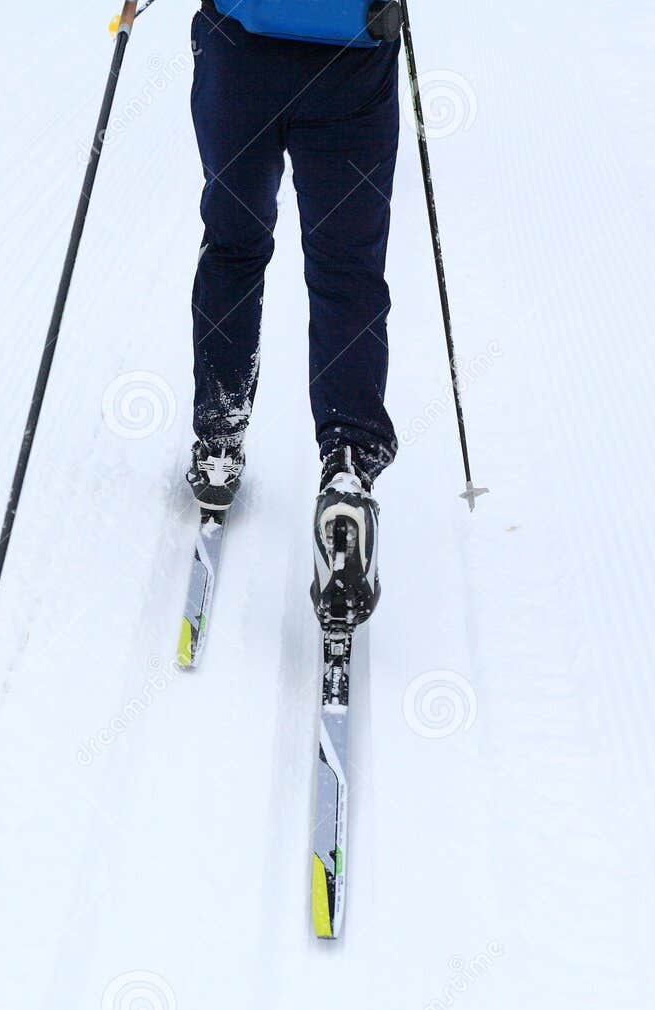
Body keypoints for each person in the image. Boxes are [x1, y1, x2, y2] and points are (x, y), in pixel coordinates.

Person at [183, 0, 403, 628]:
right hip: (351, 64)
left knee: (234, 246)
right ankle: (348, 465)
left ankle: (220, 437)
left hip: (240, 60)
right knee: (347, 271)